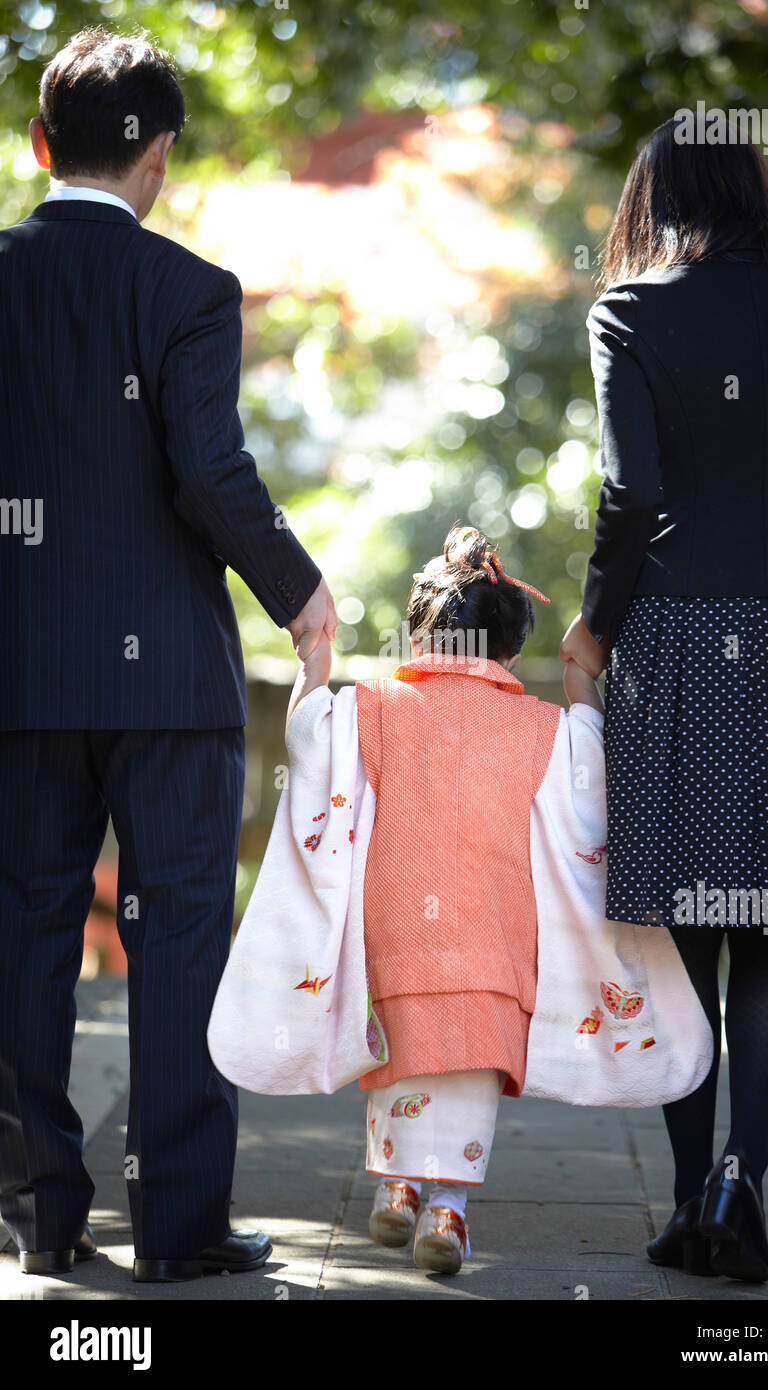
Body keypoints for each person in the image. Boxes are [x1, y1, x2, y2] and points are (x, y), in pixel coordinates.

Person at [0, 27, 335, 1283]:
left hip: (23, 671)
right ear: (159, 154)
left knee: (24, 933)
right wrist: (298, 592)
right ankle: (180, 1228)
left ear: (41, 144)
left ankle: (41, 1215)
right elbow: (208, 471)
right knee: (182, 935)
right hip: (167, 681)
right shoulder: (188, 289)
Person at [208, 525, 715, 1277]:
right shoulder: (544, 729)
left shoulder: (370, 710)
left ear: (419, 634)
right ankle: (448, 1207)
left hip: (397, 934)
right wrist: (581, 688)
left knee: (403, 1058)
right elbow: (586, 809)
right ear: (510, 649)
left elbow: (312, 749)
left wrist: (316, 661)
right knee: (471, 1065)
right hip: (495, 944)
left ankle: (396, 1191)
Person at [560, 116, 768, 1283]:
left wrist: (593, 618)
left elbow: (630, 493)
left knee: (683, 920)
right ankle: (744, 1169)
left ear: (655, 195)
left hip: (684, 630)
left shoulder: (632, 313)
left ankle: (693, 1196)